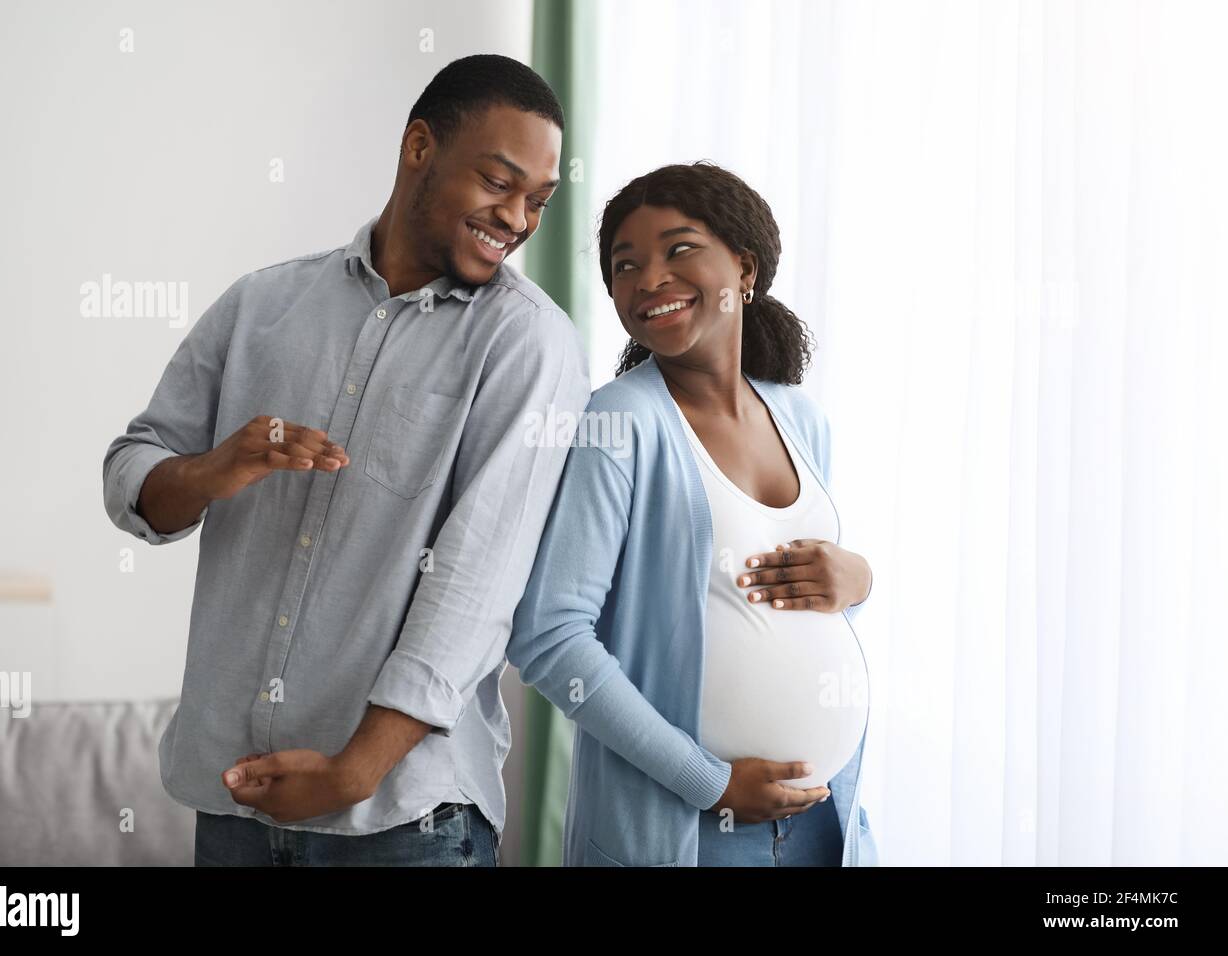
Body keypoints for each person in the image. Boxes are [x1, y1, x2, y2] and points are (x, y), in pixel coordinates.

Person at [102, 54, 591, 866]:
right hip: (232, 807)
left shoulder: (528, 344)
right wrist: (214, 470)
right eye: (498, 183)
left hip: (403, 822)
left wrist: (354, 770)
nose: (517, 219)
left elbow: (477, 579)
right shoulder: (261, 305)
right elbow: (132, 471)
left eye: (537, 200)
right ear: (418, 147)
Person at [507, 161, 879, 866]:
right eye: (625, 264)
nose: (647, 279)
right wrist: (709, 784)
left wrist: (858, 584)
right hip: (686, 832)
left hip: (822, 826)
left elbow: (784, 609)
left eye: (678, 250)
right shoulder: (618, 423)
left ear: (744, 267)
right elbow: (548, 637)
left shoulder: (800, 417)